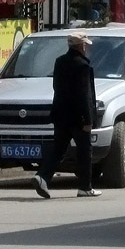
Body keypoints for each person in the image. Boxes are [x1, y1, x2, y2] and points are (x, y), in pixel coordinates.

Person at [34, 31, 100, 198]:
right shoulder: (83, 66)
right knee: (85, 150)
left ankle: (42, 177)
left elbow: (57, 88)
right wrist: (87, 118)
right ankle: (85, 186)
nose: (86, 48)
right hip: (78, 117)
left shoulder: (60, 62)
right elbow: (84, 94)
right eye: (85, 45)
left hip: (60, 114)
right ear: (81, 46)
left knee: (58, 148)